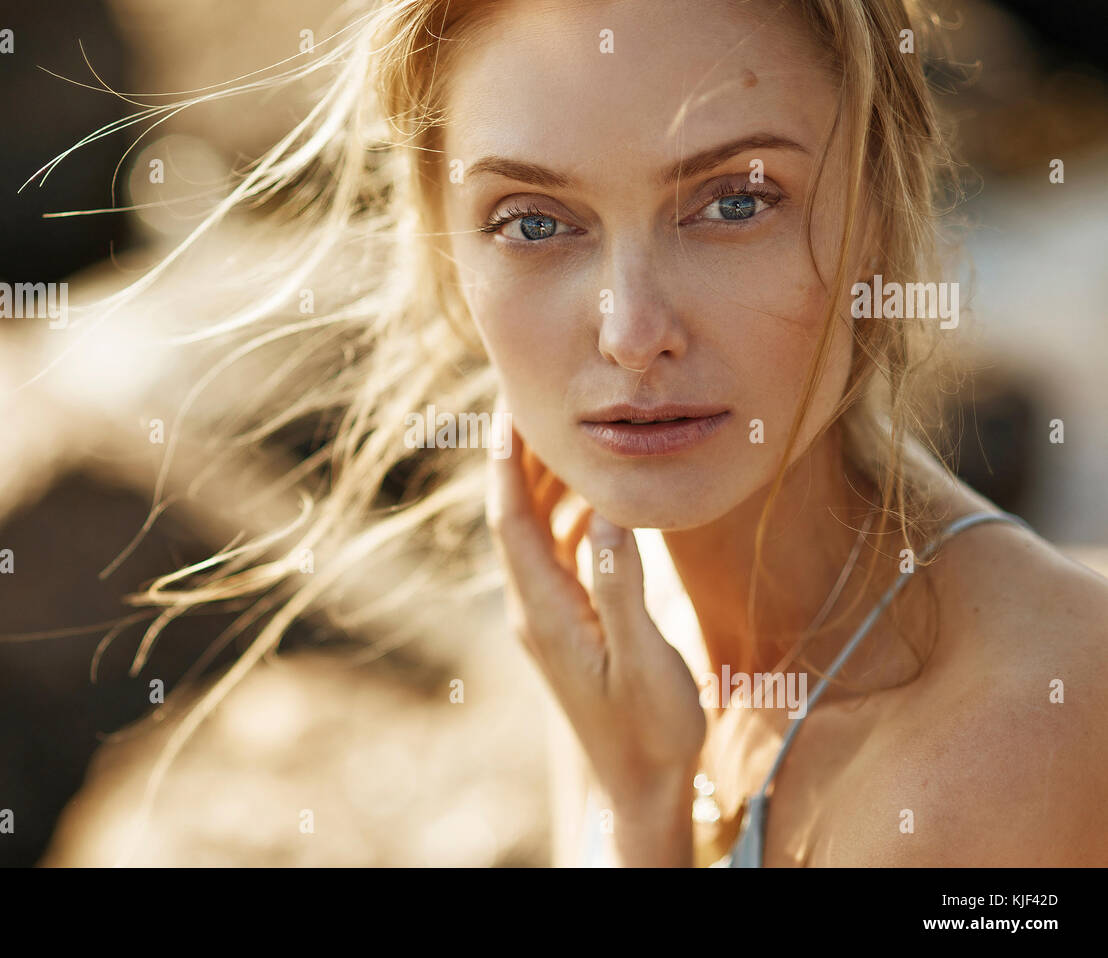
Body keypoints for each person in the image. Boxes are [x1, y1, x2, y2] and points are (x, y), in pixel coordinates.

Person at [89, 0, 1108, 865]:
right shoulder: (626, 612)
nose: (631, 334)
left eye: (733, 201)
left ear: (879, 215)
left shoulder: (1024, 733)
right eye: (533, 222)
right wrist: (638, 808)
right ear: (446, 260)